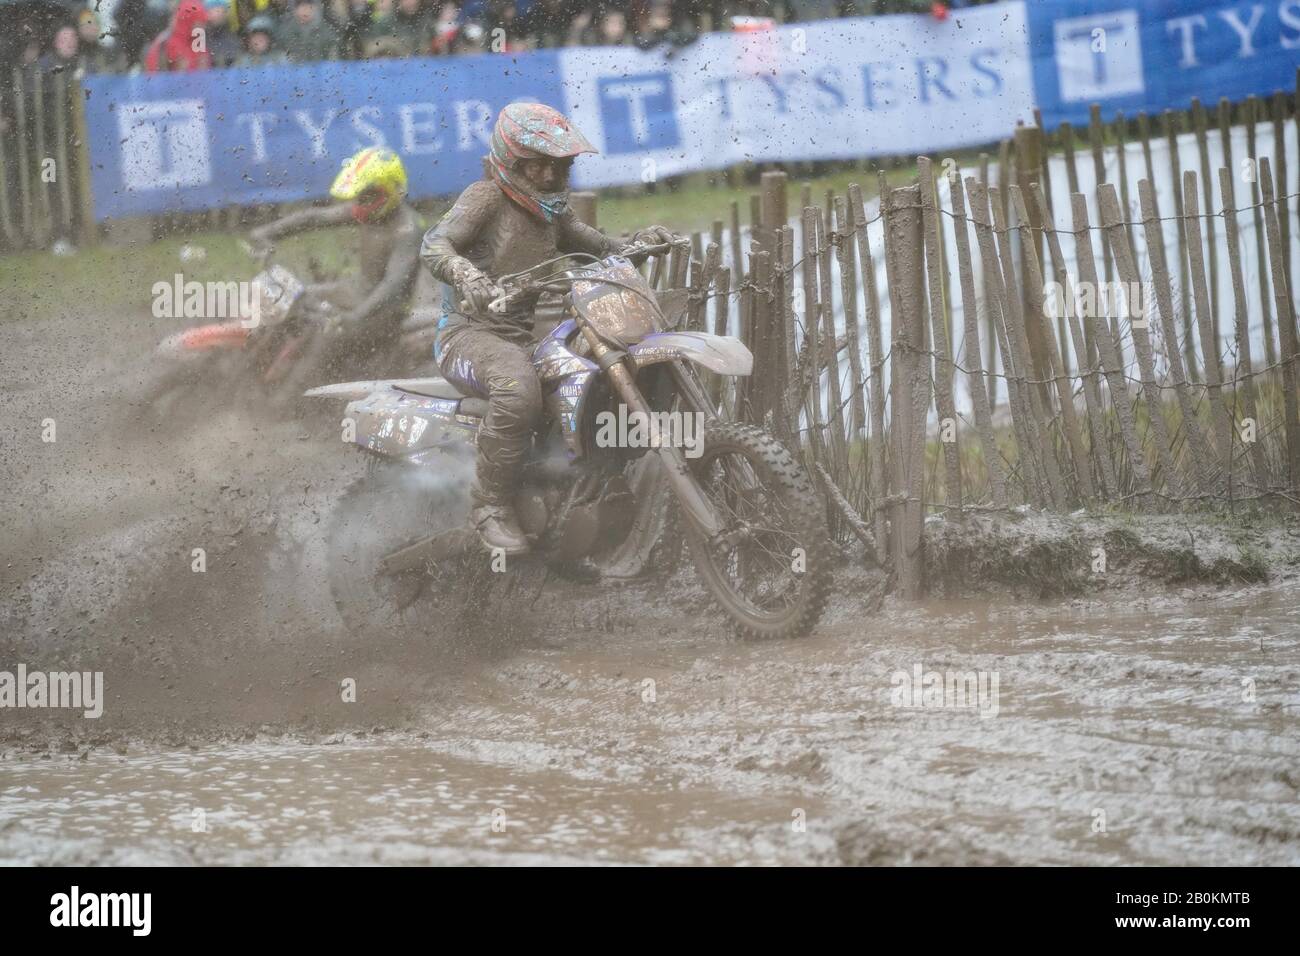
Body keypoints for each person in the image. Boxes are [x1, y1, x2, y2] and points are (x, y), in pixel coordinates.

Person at [420, 102, 678, 553]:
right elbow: (435, 243)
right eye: (543, 166)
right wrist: (466, 274)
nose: (553, 177)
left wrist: (641, 243)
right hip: (466, 334)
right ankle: (489, 505)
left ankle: (560, 510)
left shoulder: (553, 213)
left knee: (579, 380)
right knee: (519, 389)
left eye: (562, 166)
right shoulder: (485, 197)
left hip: (519, 338)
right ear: (515, 163)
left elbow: (601, 248)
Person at [247, 147, 423, 389]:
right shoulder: (371, 211)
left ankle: (295, 398)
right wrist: (267, 234)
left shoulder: (407, 229)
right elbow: (314, 218)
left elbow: (393, 284)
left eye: (368, 196)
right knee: (291, 302)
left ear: (391, 190)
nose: (360, 204)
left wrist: (354, 318)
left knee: (323, 336)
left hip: (382, 314)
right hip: (353, 292)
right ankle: (257, 366)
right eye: (359, 197)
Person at [144, 0, 213, 71]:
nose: (203, 26)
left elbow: (204, 67)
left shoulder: (196, 39)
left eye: (204, 22)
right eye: (199, 22)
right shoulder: (171, 43)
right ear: (188, 21)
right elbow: (182, 76)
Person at [277, 0, 342, 62]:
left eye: (309, 7)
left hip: (320, 69)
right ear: (295, 10)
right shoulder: (287, 30)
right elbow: (281, 51)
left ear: (315, 9)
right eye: (302, 7)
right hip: (295, 69)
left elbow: (334, 49)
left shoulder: (324, 29)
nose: (306, 10)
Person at [202, 0, 244, 67]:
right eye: (212, 11)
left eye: (219, 12)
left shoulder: (234, 39)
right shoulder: (200, 38)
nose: (216, 15)